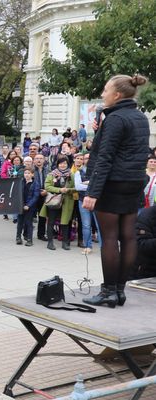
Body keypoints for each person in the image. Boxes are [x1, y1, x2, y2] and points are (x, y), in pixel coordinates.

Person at [83, 74, 152, 307]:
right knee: (128, 236)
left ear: (117, 94)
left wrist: (92, 192)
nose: (103, 94)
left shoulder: (115, 118)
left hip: (113, 184)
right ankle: (120, 290)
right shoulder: (140, 117)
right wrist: (100, 130)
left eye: (106, 90)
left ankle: (108, 291)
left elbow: (105, 157)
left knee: (110, 238)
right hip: (134, 182)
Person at [75, 153, 100, 254]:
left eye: (89, 158)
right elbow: (78, 187)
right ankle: (88, 246)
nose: (87, 160)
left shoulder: (99, 171)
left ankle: (103, 247)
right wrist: (92, 184)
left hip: (97, 201)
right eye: (85, 158)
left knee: (99, 225)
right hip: (83, 200)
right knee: (86, 225)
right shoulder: (79, 172)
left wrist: (87, 183)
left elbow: (100, 185)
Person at [16, 168, 41, 247]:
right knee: (20, 222)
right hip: (21, 205)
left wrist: (28, 205)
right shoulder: (21, 182)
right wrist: (21, 204)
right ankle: (18, 237)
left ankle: (29, 239)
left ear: (32, 174)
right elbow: (17, 193)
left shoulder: (35, 183)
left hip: (30, 207)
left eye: (29, 173)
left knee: (29, 223)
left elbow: (35, 196)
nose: (27, 175)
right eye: (25, 173)